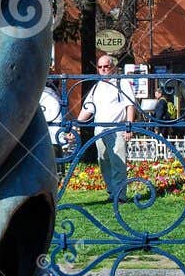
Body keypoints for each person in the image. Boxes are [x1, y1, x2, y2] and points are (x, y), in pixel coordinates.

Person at [78, 56, 137, 202]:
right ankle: (112, 192)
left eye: (106, 66)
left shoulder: (121, 82)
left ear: (113, 67)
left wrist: (128, 126)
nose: (103, 69)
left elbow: (130, 105)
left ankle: (120, 195)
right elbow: (88, 108)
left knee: (118, 162)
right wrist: (76, 124)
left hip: (117, 128)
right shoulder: (97, 86)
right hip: (99, 130)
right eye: (100, 67)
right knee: (103, 160)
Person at [40, 77, 77, 166]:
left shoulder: (43, 95)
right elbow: (59, 122)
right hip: (53, 141)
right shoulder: (53, 97)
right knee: (55, 168)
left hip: (45, 140)